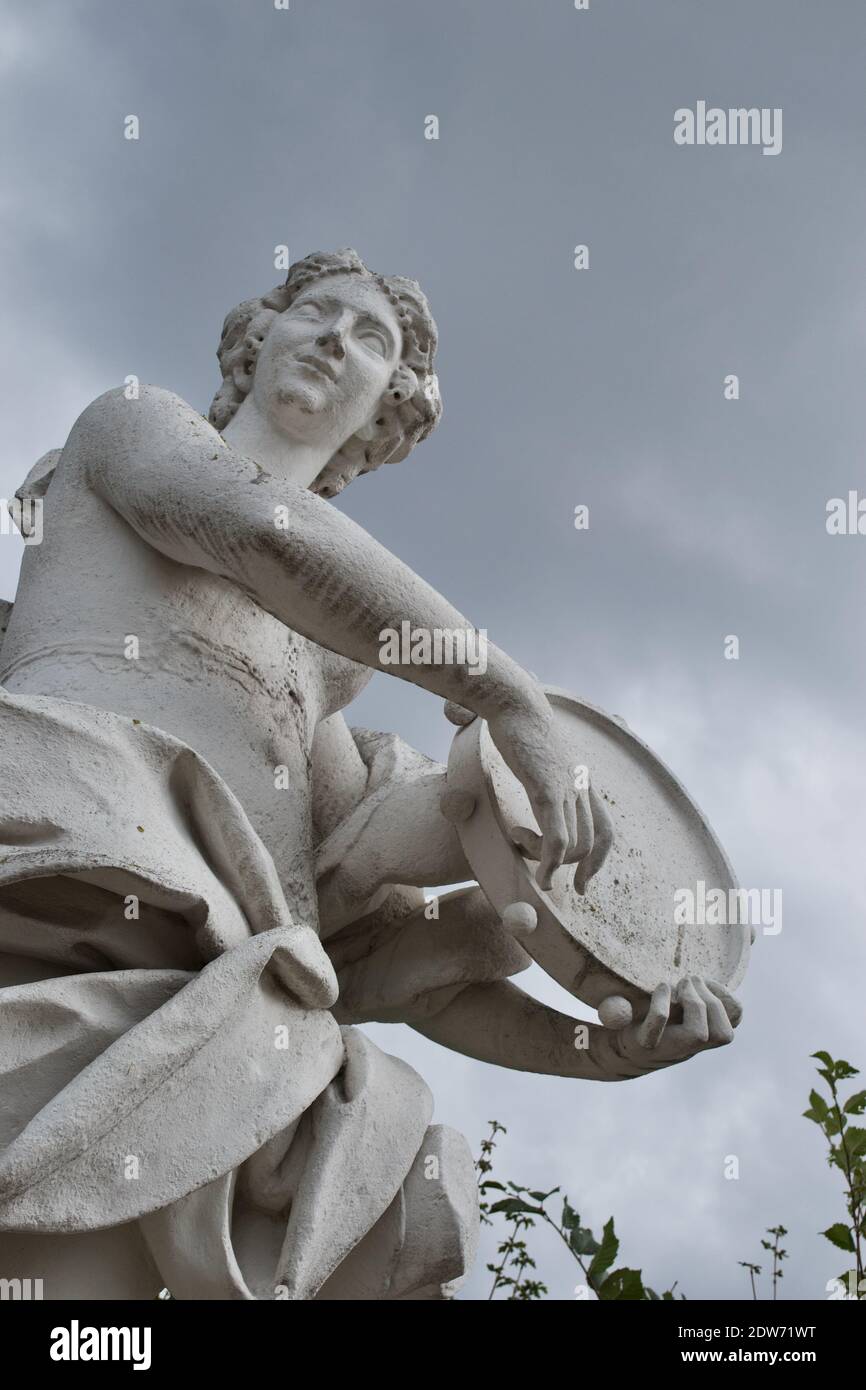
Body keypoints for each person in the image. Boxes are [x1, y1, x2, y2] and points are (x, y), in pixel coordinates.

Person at [0, 249, 739, 1299]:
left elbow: (392, 954)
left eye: (370, 339)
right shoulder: (132, 428)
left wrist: (595, 1035)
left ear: (381, 416)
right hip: (66, 898)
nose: (334, 338)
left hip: (229, 1024)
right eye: (314, 313)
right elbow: (257, 529)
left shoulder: (324, 674)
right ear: (256, 341)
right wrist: (504, 694)